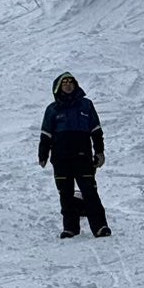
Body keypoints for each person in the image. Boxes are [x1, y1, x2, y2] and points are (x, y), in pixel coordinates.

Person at [38, 72, 110, 237]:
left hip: (83, 158)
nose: (68, 85)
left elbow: (96, 131)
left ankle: (100, 227)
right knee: (66, 194)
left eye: (71, 82)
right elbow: (46, 135)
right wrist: (43, 155)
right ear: (58, 87)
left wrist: (99, 152)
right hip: (61, 160)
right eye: (65, 83)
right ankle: (70, 228)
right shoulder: (52, 109)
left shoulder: (86, 105)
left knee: (90, 192)